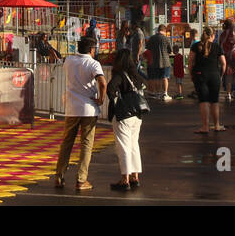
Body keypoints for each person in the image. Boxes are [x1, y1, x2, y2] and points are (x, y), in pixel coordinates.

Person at [54, 37, 106, 191]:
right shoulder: (93, 63)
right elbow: (102, 82)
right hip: (89, 109)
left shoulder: (69, 61)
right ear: (92, 49)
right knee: (86, 144)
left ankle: (59, 177)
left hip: (71, 107)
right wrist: (101, 99)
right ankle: (81, 179)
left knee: (66, 143)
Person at [106, 50, 147, 190]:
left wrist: (116, 101)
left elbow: (110, 88)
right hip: (137, 114)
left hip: (124, 115)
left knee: (123, 146)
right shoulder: (135, 74)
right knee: (134, 145)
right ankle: (135, 177)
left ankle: (125, 179)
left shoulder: (120, 75)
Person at [190, 26, 227, 133]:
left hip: (200, 75)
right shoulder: (217, 47)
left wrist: (192, 75)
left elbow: (191, 62)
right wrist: (220, 75)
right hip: (214, 75)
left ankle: (205, 127)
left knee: (203, 101)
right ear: (212, 36)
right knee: (214, 101)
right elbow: (224, 63)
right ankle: (217, 125)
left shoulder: (196, 46)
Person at [220, 19, 235, 100]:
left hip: (227, 56)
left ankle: (228, 94)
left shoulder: (223, 34)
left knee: (228, 75)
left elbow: (220, 44)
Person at [145, 24, 172, 100]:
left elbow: (148, 48)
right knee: (165, 77)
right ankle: (165, 94)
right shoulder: (166, 39)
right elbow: (170, 50)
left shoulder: (152, 38)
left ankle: (158, 93)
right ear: (164, 30)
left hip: (155, 61)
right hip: (165, 61)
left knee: (157, 78)